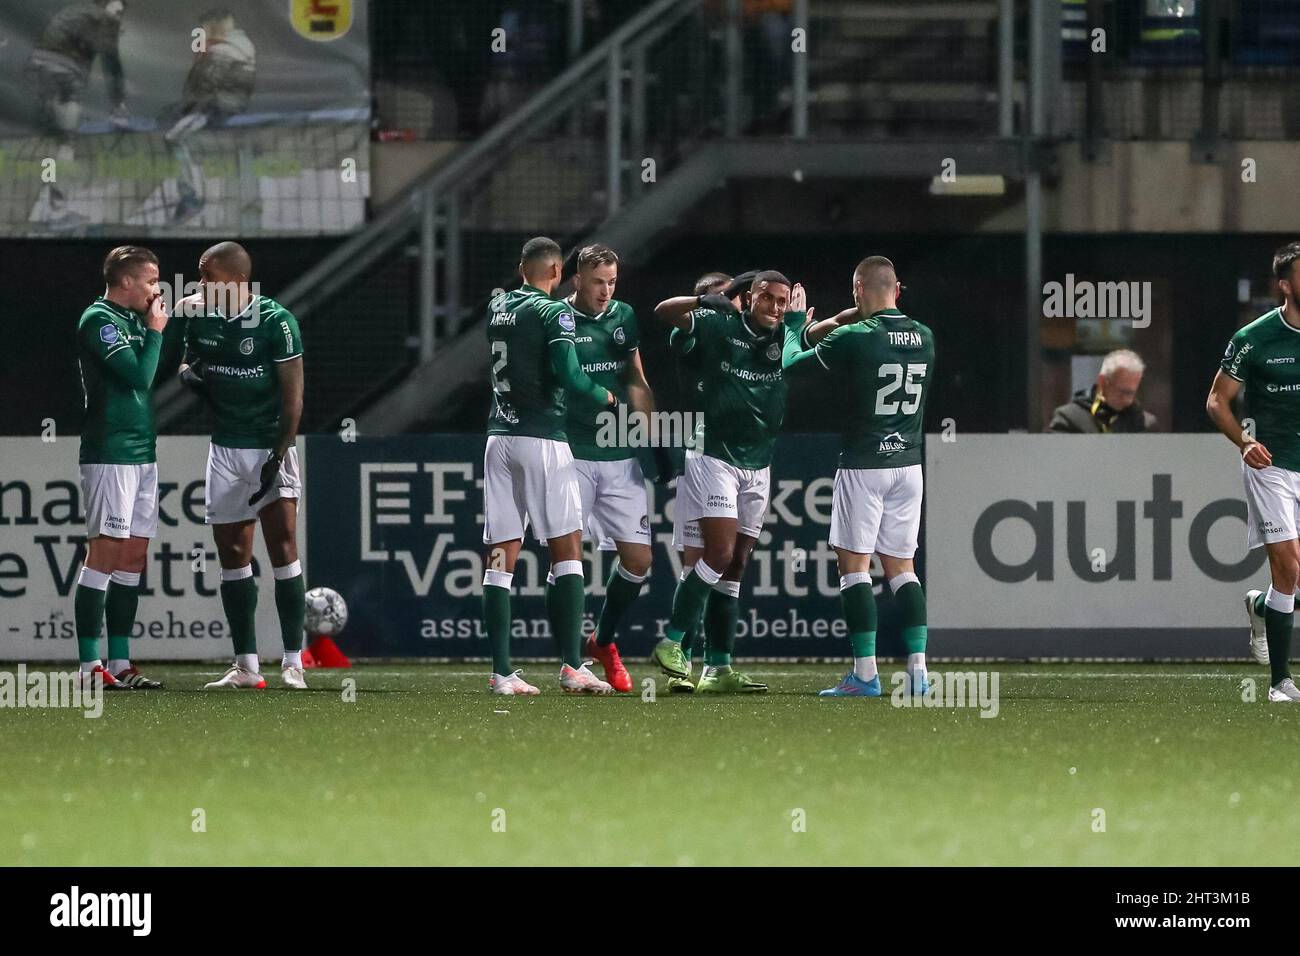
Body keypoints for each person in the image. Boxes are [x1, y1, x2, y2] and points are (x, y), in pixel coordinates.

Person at [782, 256, 934, 697]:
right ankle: (919, 673)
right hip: (908, 464)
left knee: (855, 569)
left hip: (864, 462)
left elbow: (793, 364)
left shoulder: (856, 337)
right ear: (897, 289)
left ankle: (865, 674)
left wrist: (795, 324)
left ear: (857, 290)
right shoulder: (925, 337)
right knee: (903, 569)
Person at [648, 271, 803, 693]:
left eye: (781, 300)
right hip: (711, 452)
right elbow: (664, 312)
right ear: (747, 299)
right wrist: (706, 302)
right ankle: (674, 643)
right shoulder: (719, 325)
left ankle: (718, 669)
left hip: (759, 461)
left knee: (733, 567)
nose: (774, 306)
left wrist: (803, 322)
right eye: (766, 298)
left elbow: (817, 339)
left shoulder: (786, 334)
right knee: (714, 553)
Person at [481, 237, 619, 695]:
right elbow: (569, 374)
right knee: (567, 552)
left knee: (501, 559)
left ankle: (502, 673)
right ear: (558, 271)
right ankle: (572, 666)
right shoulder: (553, 312)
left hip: (498, 440)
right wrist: (605, 396)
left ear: (523, 268)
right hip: (542, 440)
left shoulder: (497, 307)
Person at [175, 242, 308, 690]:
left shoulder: (276, 322)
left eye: (207, 275)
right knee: (233, 556)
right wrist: (189, 374)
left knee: (283, 549)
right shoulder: (196, 313)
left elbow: (293, 398)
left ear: (232, 281)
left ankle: (293, 661)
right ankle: (247, 666)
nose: (200, 283)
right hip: (225, 449)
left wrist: (280, 452)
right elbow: (189, 361)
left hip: (269, 446)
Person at [561, 244, 669, 693]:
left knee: (639, 560)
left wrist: (655, 437)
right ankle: (571, 665)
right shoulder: (557, 318)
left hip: (618, 454)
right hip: (569, 454)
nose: (606, 291)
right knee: (568, 561)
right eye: (598, 281)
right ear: (577, 281)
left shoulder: (622, 315)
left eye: (612, 282)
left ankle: (602, 642)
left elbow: (634, 377)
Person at [1206, 241, 1300, 702]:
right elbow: (1217, 401)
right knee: (1289, 565)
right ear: (1285, 284)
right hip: (1272, 465)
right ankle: (1280, 683)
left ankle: (1261, 606)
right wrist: (1245, 443)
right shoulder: (1254, 338)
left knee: (1293, 580)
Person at [73, 246, 169, 690]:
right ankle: (89, 666)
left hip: (142, 452)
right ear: (126, 281)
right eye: (151, 281)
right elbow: (139, 376)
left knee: (133, 557)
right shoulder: (99, 320)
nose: (157, 289)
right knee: (105, 554)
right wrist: (156, 332)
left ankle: (122, 662)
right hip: (110, 451)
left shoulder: (134, 320)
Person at [1047, 349, 1157, 433]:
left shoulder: (1143, 423)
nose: (1127, 400)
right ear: (1103, 382)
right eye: (1123, 392)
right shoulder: (1069, 418)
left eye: (1132, 393)